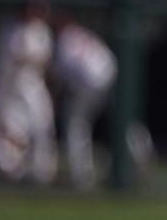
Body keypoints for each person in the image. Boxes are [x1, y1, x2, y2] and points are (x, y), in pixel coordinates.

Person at [0, 1, 57, 185]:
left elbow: (44, 60)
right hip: (7, 84)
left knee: (42, 123)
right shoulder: (11, 27)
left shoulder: (41, 30)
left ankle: (41, 170)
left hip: (32, 83)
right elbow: (13, 57)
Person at [50, 12, 118, 189]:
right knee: (121, 118)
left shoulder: (64, 42)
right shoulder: (84, 33)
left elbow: (60, 79)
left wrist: (54, 100)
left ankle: (81, 175)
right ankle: (141, 157)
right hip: (109, 75)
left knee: (76, 125)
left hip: (89, 84)